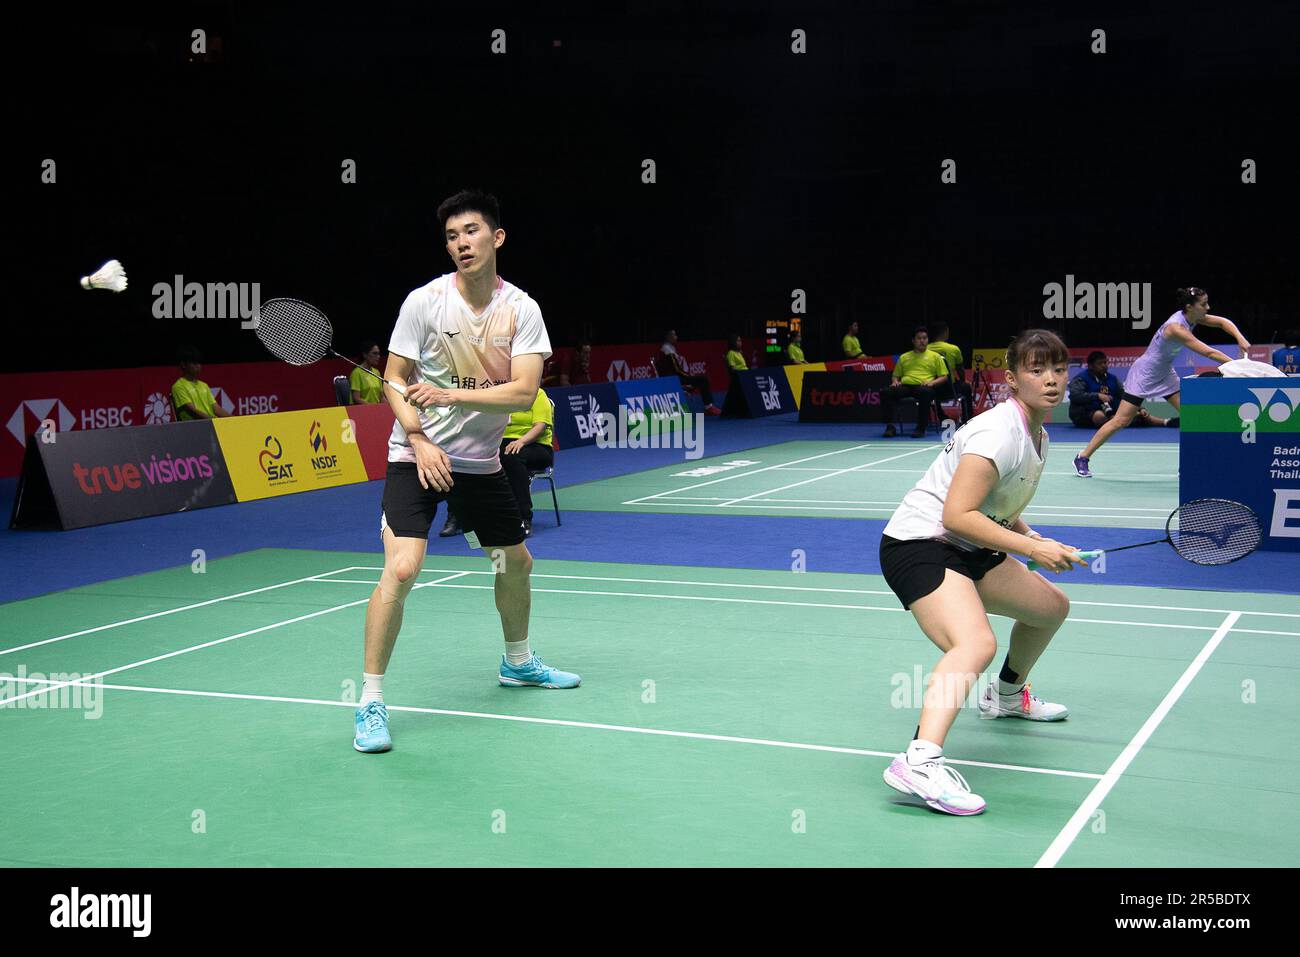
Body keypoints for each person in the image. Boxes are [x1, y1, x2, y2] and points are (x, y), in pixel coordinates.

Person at [353, 189, 580, 755]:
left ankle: (518, 662)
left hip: (479, 465)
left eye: (472, 232)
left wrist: (450, 395)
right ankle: (371, 701)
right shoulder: (423, 303)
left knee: (515, 562)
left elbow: (523, 392)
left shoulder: (521, 310)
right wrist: (418, 436)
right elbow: (393, 379)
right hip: (416, 458)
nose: (461, 244)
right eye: (452, 236)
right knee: (403, 568)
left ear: (496, 238)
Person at [879, 329, 1085, 816]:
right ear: (1013, 379)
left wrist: (1036, 542)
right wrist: (1032, 548)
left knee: (1050, 608)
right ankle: (919, 761)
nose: (1051, 380)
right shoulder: (997, 433)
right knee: (975, 643)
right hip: (921, 545)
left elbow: (1000, 506)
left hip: (970, 546)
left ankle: (1008, 697)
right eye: (1037, 370)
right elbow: (957, 514)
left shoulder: (1037, 434)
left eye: (1058, 368)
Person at [1074, 287, 1248, 476]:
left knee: (1191, 416)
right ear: (1189, 307)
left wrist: (1240, 338)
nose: (1208, 307)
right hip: (1145, 374)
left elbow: (1222, 322)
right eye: (1203, 304)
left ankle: (1191, 463)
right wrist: (1238, 365)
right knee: (1121, 420)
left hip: (1164, 372)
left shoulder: (1192, 317)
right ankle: (1082, 456)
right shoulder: (1176, 328)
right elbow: (1208, 352)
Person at [500, 387, 555, 538]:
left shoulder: (537, 394)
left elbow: (540, 427)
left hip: (536, 446)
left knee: (511, 458)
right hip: (502, 444)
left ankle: (523, 517)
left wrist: (521, 442)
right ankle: (462, 517)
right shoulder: (500, 393)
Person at [1068, 351, 1170, 429]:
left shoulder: (1112, 379)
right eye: (1100, 363)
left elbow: (1126, 395)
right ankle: (1122, 421)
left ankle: (1166, 422)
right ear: (1090, 366)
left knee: (1140, 414)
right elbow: (1075, 395)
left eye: (1105, 362)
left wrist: (1140, 408)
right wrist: (1097, 396)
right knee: (1100, 417)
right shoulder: (1081, 379)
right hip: (1085, 413)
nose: (1104, 365)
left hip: (1111, 412)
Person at [881, 327, 949, 438]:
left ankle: (920, 428)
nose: (922, 341)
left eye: (925, 338)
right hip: (906, 386)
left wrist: (932, 383)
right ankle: (890, 427)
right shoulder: (904, 357)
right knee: (886, 392)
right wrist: (895, 382)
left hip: (924, 386)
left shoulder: (935, 357)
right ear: (913, 340)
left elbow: (944, 377)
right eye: (919, 338)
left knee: (925, 393)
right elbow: (895, 376)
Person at [658, 329, 722, 415]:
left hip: (675, 378)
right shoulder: (667, 350)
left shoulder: (668, 348)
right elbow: (676, 369)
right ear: (668, 337)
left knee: (701, 379)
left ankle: (709, 407)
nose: (676, 337)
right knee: (703, 379)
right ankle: (709, 407)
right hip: (674, 380)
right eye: (674, 335)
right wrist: (687, 376)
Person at [927, 323, 974, 424]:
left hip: (930, 389)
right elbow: (960, 369)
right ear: (945, 333)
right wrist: (963, 380)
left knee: (929, 392)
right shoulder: (953, 349)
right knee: (966, 387)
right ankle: (968, 419)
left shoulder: (924, 350)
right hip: (950, 389)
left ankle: (940, 415)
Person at [171, 346, 231, 420]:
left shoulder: (204, 385)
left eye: (199, 363)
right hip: (194, 427)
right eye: (194, 363)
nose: (198, 366)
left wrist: (234, 419)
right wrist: (213, 420)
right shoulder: (178, 386)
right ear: (183, 365)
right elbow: (192, 411)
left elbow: (216, 408)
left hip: (210, 423)